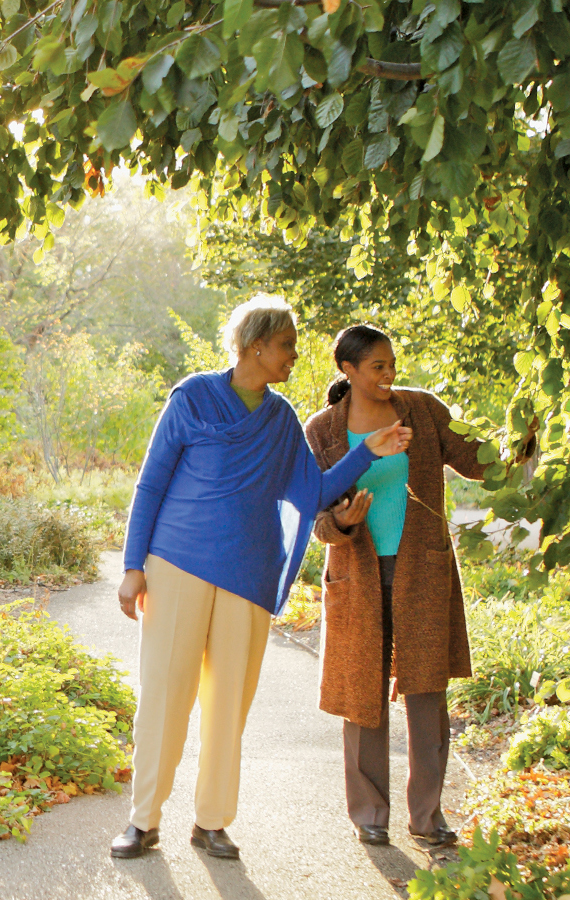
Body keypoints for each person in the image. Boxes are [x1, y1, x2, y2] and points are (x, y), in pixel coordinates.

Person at [111, 297, 412, 861]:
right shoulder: (194, 395)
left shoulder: (280, 420)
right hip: (176, 562)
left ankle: (211, 822)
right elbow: (150, 484)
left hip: (247, 574)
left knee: (229, 703)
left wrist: (366, 452)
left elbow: (313, 492)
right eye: (287, 346)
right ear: (256, 345)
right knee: (165, 696)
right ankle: (143, 820)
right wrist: (132, 567)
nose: (294, 357)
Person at [303, 324, 495, 850]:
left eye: (392, 364)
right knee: (362, 697)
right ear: (349, 370)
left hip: (422, 571)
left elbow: (476, 461)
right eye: (377, 367)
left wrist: (524, 436)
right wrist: (342, 521)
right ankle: (370, 815)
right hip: (357, 577)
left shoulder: (422, 410)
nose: (389, 375)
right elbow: (314, 517)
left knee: (428, 692)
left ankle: (427, 817)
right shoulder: (322, 430)